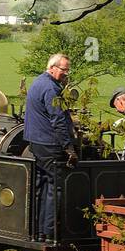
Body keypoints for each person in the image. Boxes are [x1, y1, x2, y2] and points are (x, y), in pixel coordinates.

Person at [23, 53, 77, 240]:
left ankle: (37, 230)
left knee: (42, 186)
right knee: (56, 187)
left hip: (37, 142)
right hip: (50, 143)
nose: (66, 74)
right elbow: (58, 120)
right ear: (52, 67)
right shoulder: (51, 89)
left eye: (67, 70)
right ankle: (50, 232)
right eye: (64, 70)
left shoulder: (38, 82)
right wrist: (69, 147)